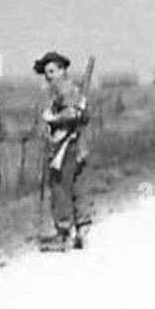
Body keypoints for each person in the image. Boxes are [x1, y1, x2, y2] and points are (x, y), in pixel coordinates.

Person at [34, 50, 93, 251]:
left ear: (62, 70)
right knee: (76, 187)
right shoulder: (71, 88)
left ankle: (64, 232)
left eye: (51, 71)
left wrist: (52, 118)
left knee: (60, 188)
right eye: (46, 72)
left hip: (66, 146)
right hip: (77, 145)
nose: (48, 76)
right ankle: (82, 229)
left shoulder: (64, 88)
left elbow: (74, 113)